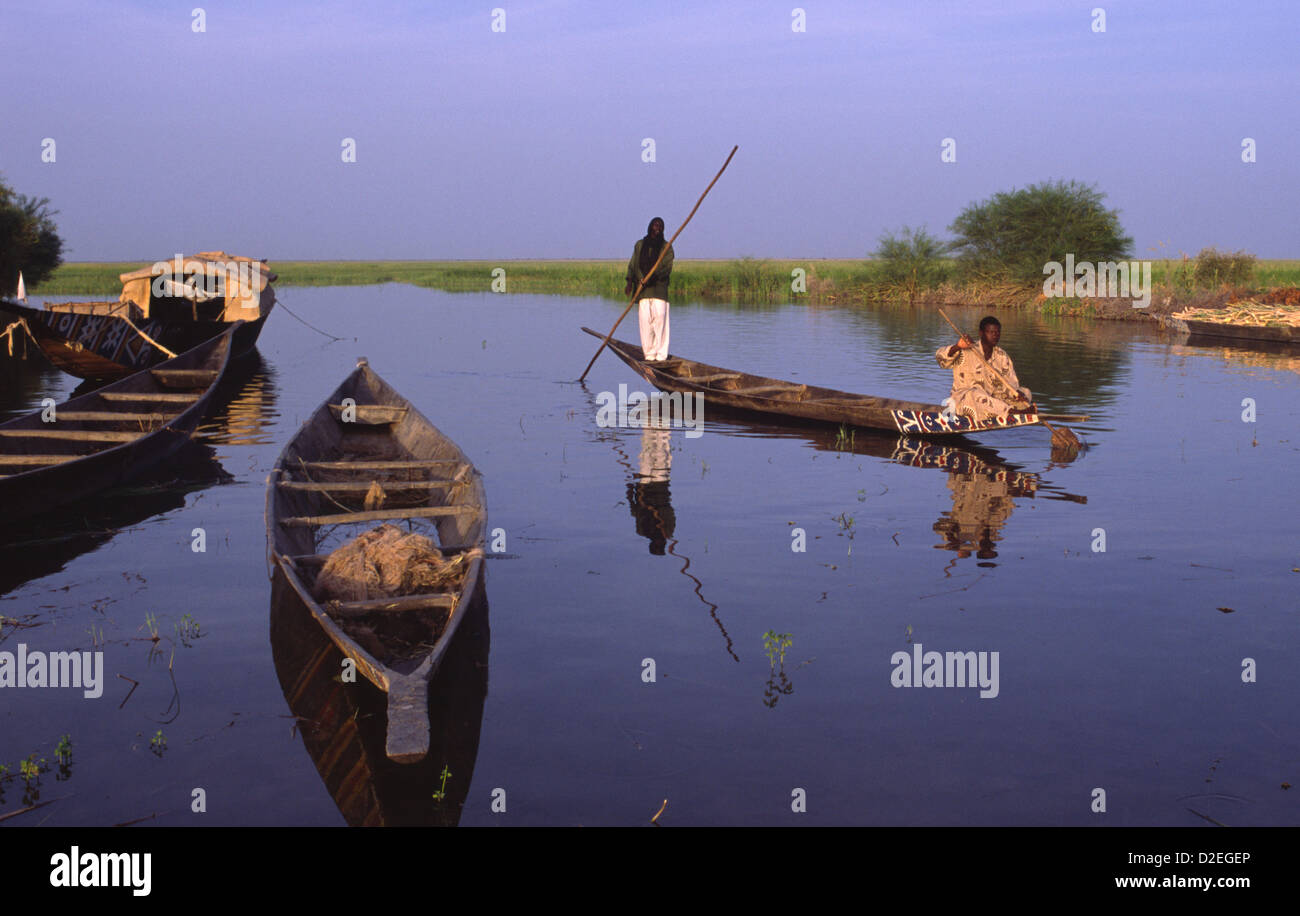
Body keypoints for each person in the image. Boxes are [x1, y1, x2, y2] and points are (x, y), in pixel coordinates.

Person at [935, 316, 1036, 423]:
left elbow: (1011, 383)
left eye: (997, 332)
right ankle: (1014, 413)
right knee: (976, 395)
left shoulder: (1002, 355)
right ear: (981, 333)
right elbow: (940, 357)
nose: (995, 336)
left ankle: (1005, 409)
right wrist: (958, 346)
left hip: (992, 398)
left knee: (1026, 392)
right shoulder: (966, 349)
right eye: (991, 332)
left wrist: (1017, 394)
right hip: (964, 399)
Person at [626, 217, 674, 362]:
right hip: (643, 292)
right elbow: (633, 264)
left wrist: (652, 277)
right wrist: (629, 282)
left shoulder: (666, 247)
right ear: (650, 227)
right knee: (645, 325)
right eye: (655, 225)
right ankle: (649, 355)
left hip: (659, 291)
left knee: (660, 323)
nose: (657, 227)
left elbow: (666, 267)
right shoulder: (640, 245)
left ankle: (660, 356)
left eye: (660, 225)